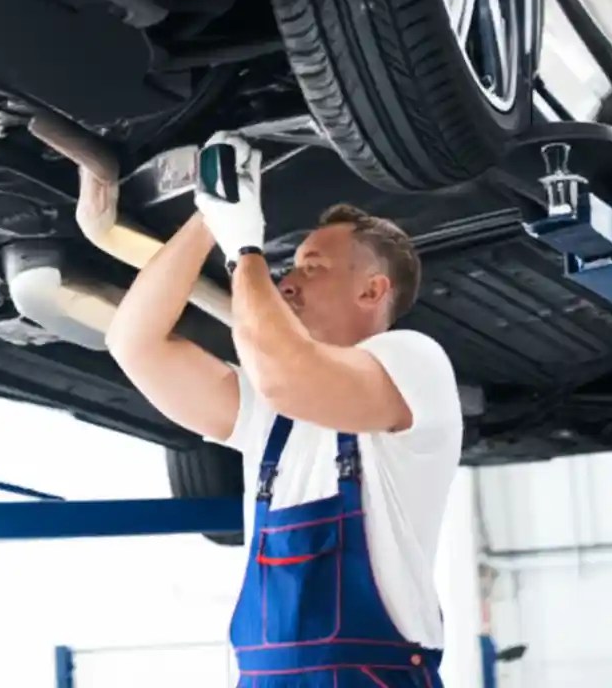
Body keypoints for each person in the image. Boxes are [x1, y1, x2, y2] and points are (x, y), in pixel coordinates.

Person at [105, 132, 463, 687]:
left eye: (313, 267)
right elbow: (135, 343)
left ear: (372, 292)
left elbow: (285, 375)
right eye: (289, 265)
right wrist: (211, 212)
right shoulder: (272, 419)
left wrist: (244, 248)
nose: (287, 282)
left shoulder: (414, 362)